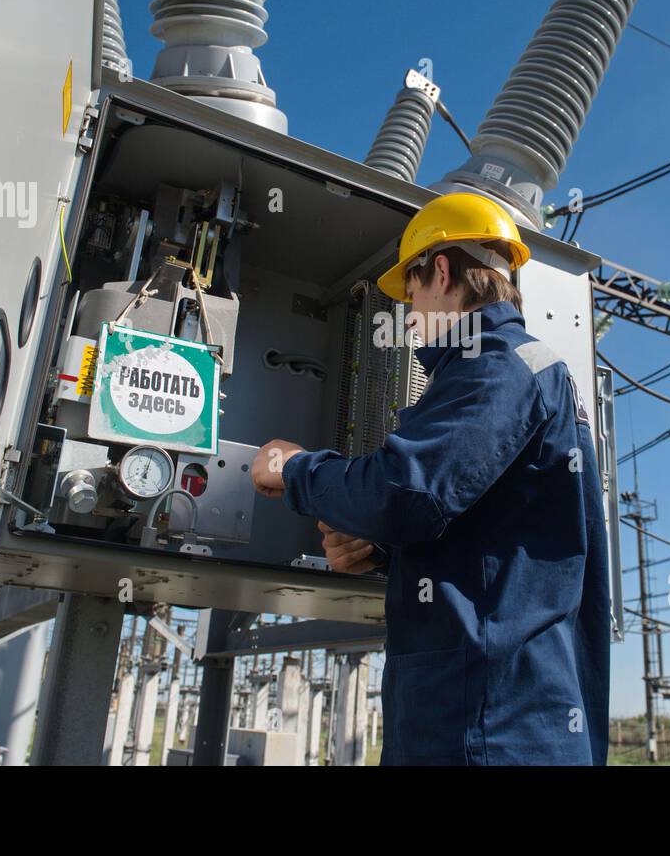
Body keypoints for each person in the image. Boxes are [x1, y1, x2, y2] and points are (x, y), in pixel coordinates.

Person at [250, 191, 610, 765]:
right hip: (501, 719)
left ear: (441, 271)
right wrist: (385, 552)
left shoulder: (494, 366)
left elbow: (406, 493)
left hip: (484, 728)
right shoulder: (530, 367)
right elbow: (501, 547)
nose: (410, 317)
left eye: (410, 293)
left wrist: (294, 467)